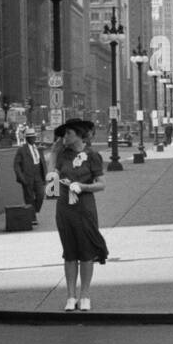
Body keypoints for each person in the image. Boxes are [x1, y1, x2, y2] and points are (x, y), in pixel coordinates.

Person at [46, 119, 109, 311]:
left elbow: (102, 184)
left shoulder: (92, 156)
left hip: (85, 207)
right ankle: (70, 296)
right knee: (70, 252)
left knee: (86, 252)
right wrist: (54, 154)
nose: (64, 137)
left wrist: (83, 187)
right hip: (64, 207)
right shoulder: (62, 155)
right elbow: (50, 186)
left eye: (68, 134)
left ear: (79, 135)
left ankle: (85, 295)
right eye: (64, 134)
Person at [12, 129, 46, 225]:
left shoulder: (38, 148)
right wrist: (21, 177)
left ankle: (34, 210)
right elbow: (16, 165)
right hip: (27, 177)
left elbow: (42, 162)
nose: (33, 138)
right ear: (27, 138)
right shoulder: (22, 150)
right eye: (31, 137)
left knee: (41, 195)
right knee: (29, 197)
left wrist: (45, 175)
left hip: (38, 176)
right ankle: (32, 217)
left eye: (34, 137)